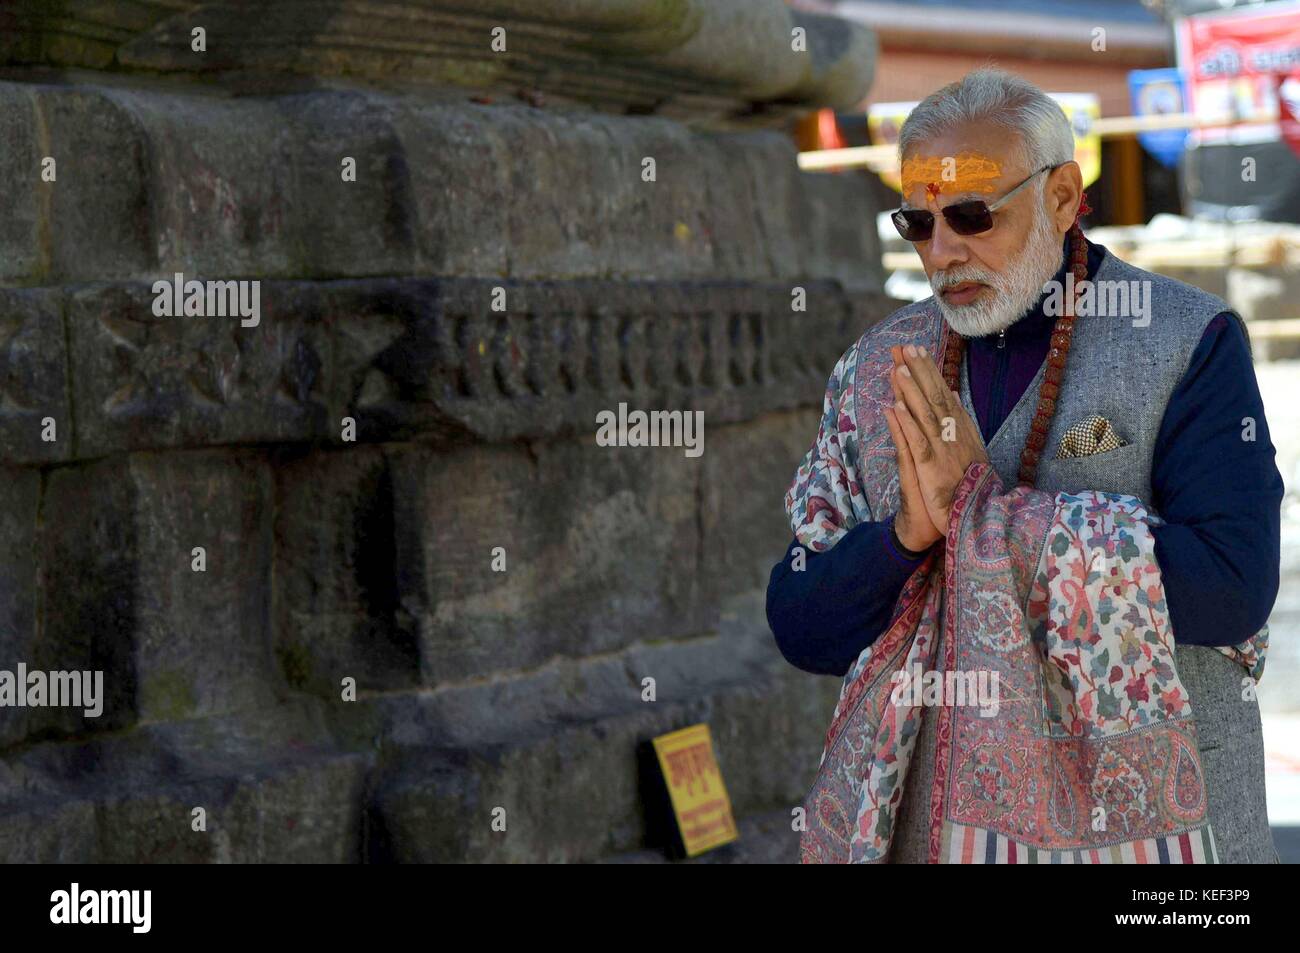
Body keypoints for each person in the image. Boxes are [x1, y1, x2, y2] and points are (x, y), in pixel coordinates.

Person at [769, 68, 1282, 863]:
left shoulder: (1187, 340)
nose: (943, 251)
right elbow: (801, 620)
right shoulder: (876, 369)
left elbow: (1230, 589)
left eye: (973, 215)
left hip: (1163, 841)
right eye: (918, 221)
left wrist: (984, 515)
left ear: (1062, 195)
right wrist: (906, 535)